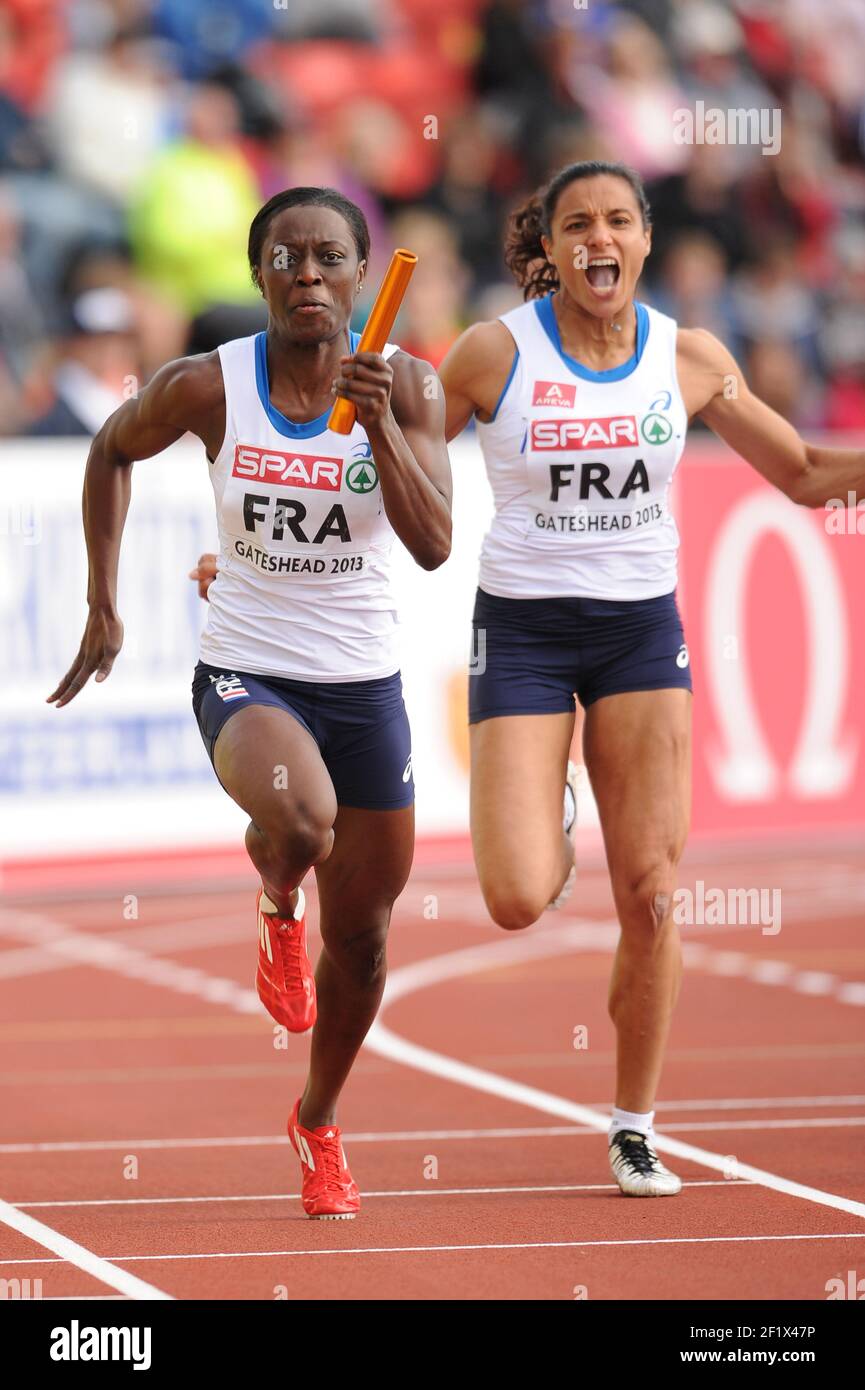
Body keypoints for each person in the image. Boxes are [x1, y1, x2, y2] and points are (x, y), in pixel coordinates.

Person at [437, 159, 864, 1196]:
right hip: (526, 634)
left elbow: (804, 475)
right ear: (547, 249)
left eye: (618, 221)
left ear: (642, 239)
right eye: (576, 224)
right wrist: (264, 557)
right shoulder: (491, 354)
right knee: (511, 895)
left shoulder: (689, 356)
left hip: (638, 635)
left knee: (655, 893)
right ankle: (555, 815)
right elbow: (392, 474)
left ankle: (633, 1124)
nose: (599, 238)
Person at [47, 186, 452, 1220]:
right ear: (260, 273)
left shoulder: (406, 386)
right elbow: (109, 451)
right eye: (286, 259)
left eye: (328, 259)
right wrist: (103, 603)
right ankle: (278, 896)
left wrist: (381, 436)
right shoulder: (210, 385)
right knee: (302, 816)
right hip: (248, 671)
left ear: (361, 277)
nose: (307, 276)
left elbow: (435, 544)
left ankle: (317, 1122)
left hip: (363, 681)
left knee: (362, 937)